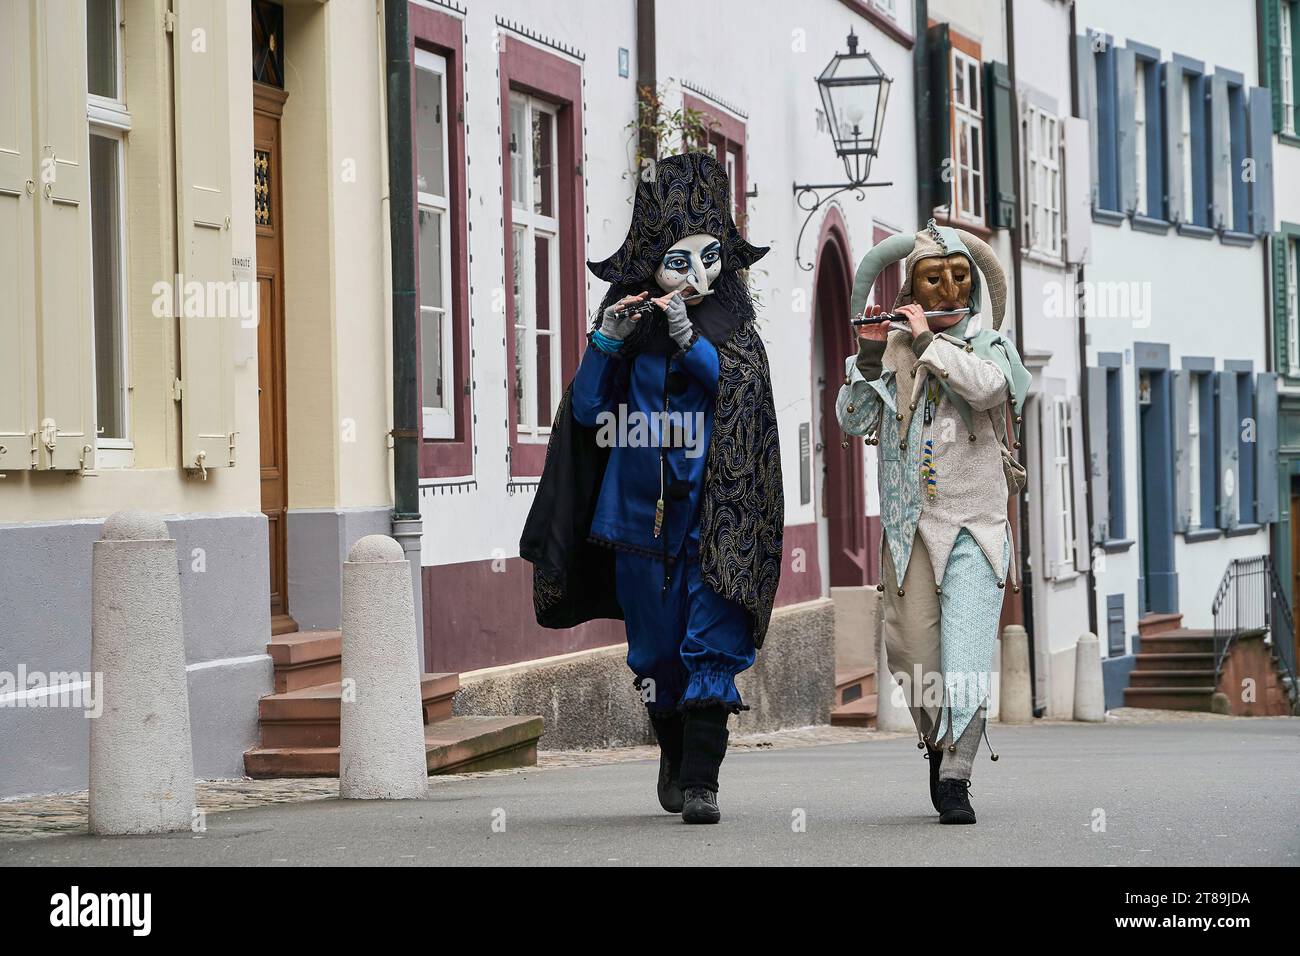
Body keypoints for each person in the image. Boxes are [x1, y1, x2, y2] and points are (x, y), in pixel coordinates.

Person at [520, 152, 783, 824]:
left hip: (714, 523)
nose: (697, 276)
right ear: (650, 263)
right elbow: (584, 415)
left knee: (709, 650)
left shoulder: (736, 335)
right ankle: (673, 750)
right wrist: (606, 343)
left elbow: (738, 392)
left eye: (710, 257)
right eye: (679, 261)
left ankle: (703, 782)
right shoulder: (628, 328)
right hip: (637, 526)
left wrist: (691, 336)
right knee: (659, 656)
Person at [836, 219, 1030, 825]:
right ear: (911, 289)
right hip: (909, 527)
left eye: (960, 278)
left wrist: (930, 347)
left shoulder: (988, 343)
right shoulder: (894, 345)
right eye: (934, 279)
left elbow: (990, 391)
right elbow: (852, 419)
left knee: (968, 649)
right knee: (915, 652)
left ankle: (956, 775)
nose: (949, 290)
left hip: (976, 524)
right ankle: (936, 736)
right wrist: (869, 355)